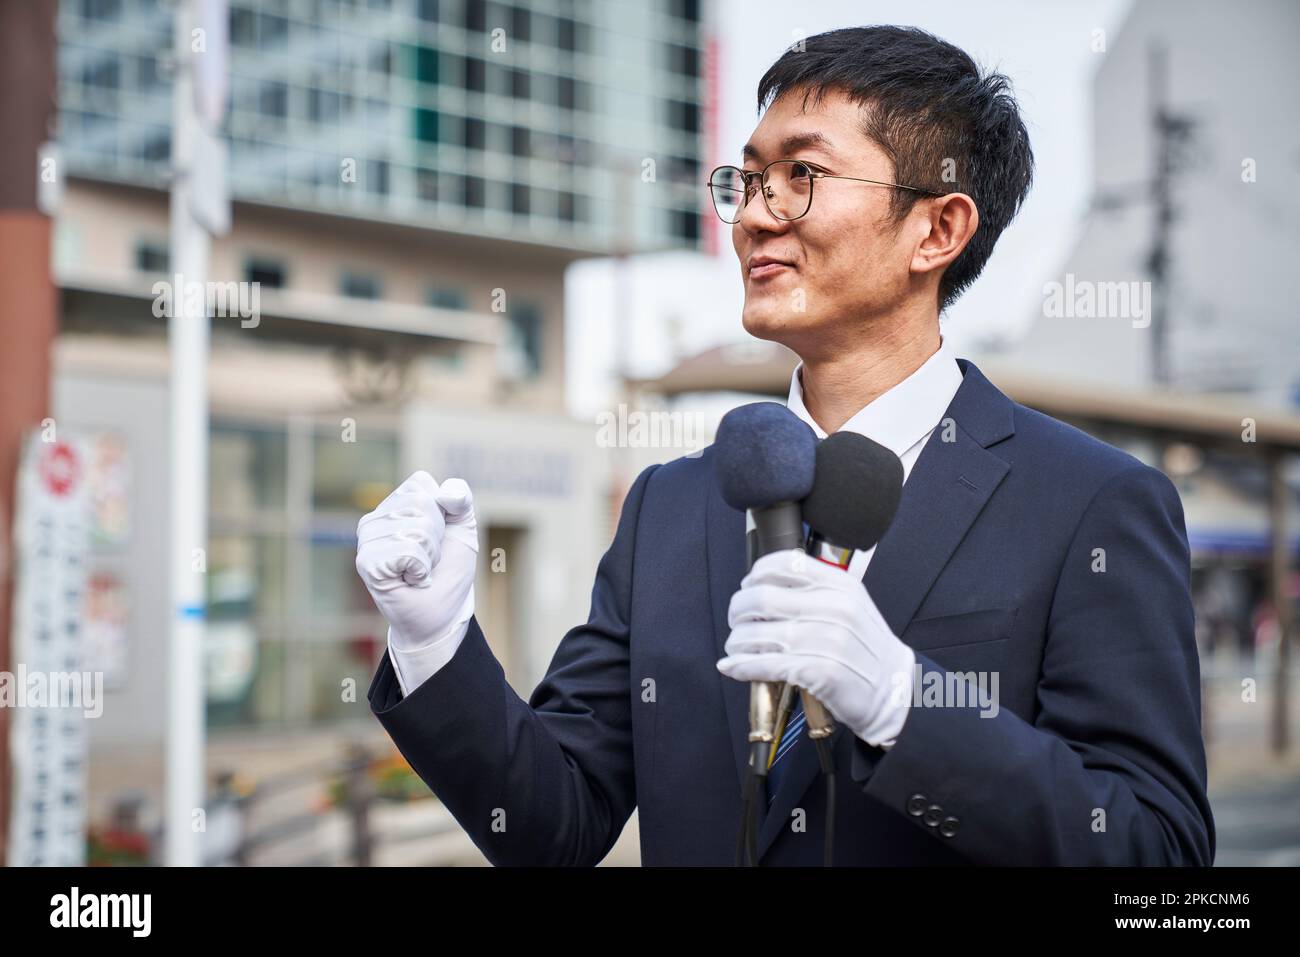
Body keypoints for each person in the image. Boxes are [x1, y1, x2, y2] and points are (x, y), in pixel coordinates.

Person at [356, 25, 1214, 866]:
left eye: (802, 174)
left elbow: (1154, 847)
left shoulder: (1090, 502)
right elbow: (553, 824)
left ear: (938, 229)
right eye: (748, 179)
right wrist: (434, 639)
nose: (754, 217)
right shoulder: (672, 504)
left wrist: (906, 705)